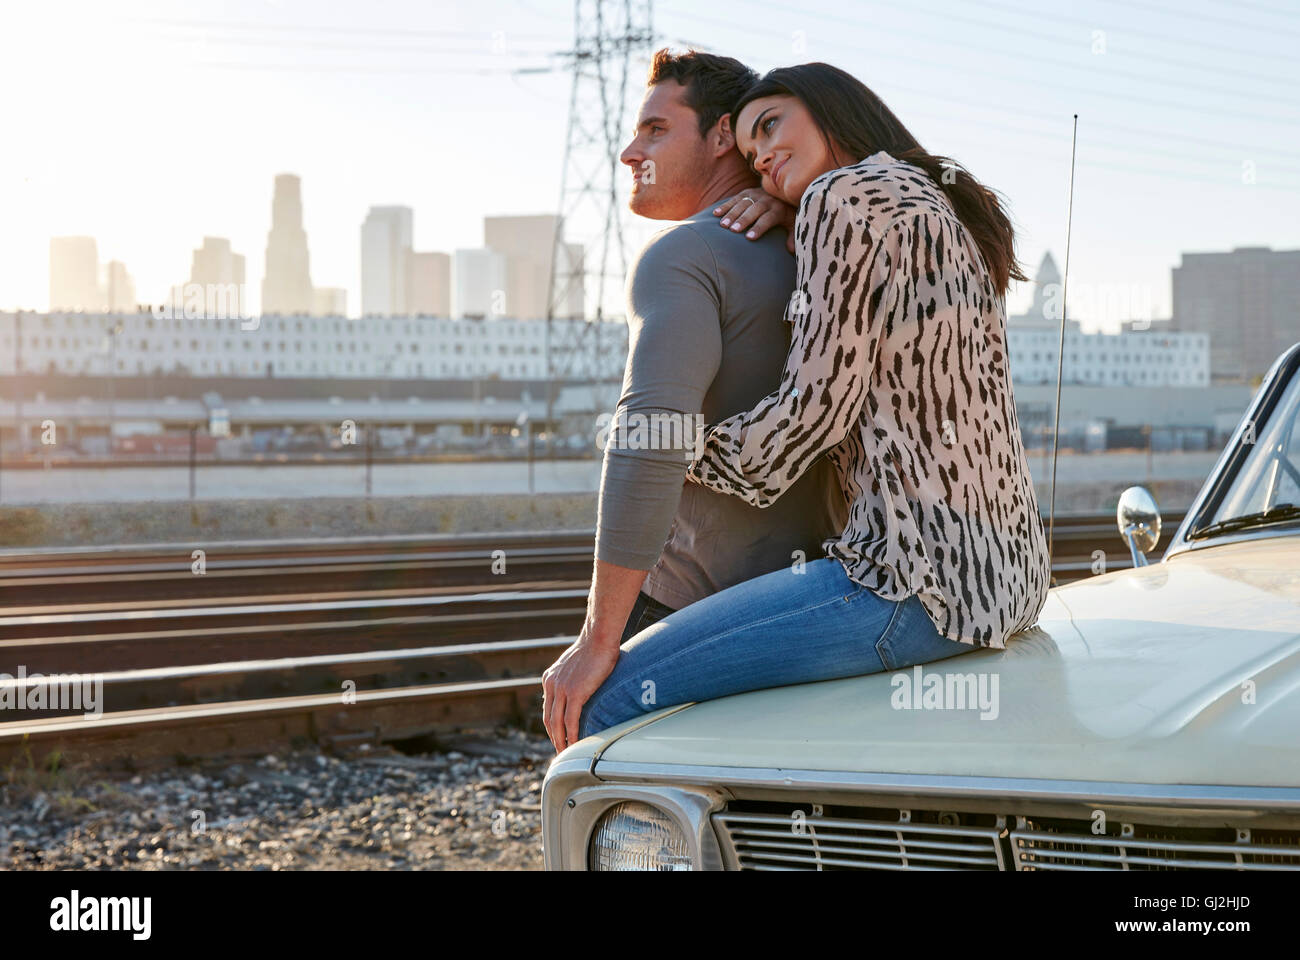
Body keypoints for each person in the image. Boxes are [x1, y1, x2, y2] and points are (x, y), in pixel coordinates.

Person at [556, 60, 1052, 750]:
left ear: (832, 111)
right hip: (1006, 579)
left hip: (912, 583)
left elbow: (814, 412)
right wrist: (791, 202)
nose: (765, 155)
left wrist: (675, 451)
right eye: (756, 154)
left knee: (603, 706)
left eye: (772, 127)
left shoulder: (835, 204)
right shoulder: (928, 203)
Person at [539, 51, 845, 753]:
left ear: (721, 137)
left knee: (594, 736)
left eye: (654, 129)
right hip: (817, 602)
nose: (628, 151)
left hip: (692, 605)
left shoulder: (685, 256)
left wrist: (597, 640)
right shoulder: (820, 240)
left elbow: (650, 439)